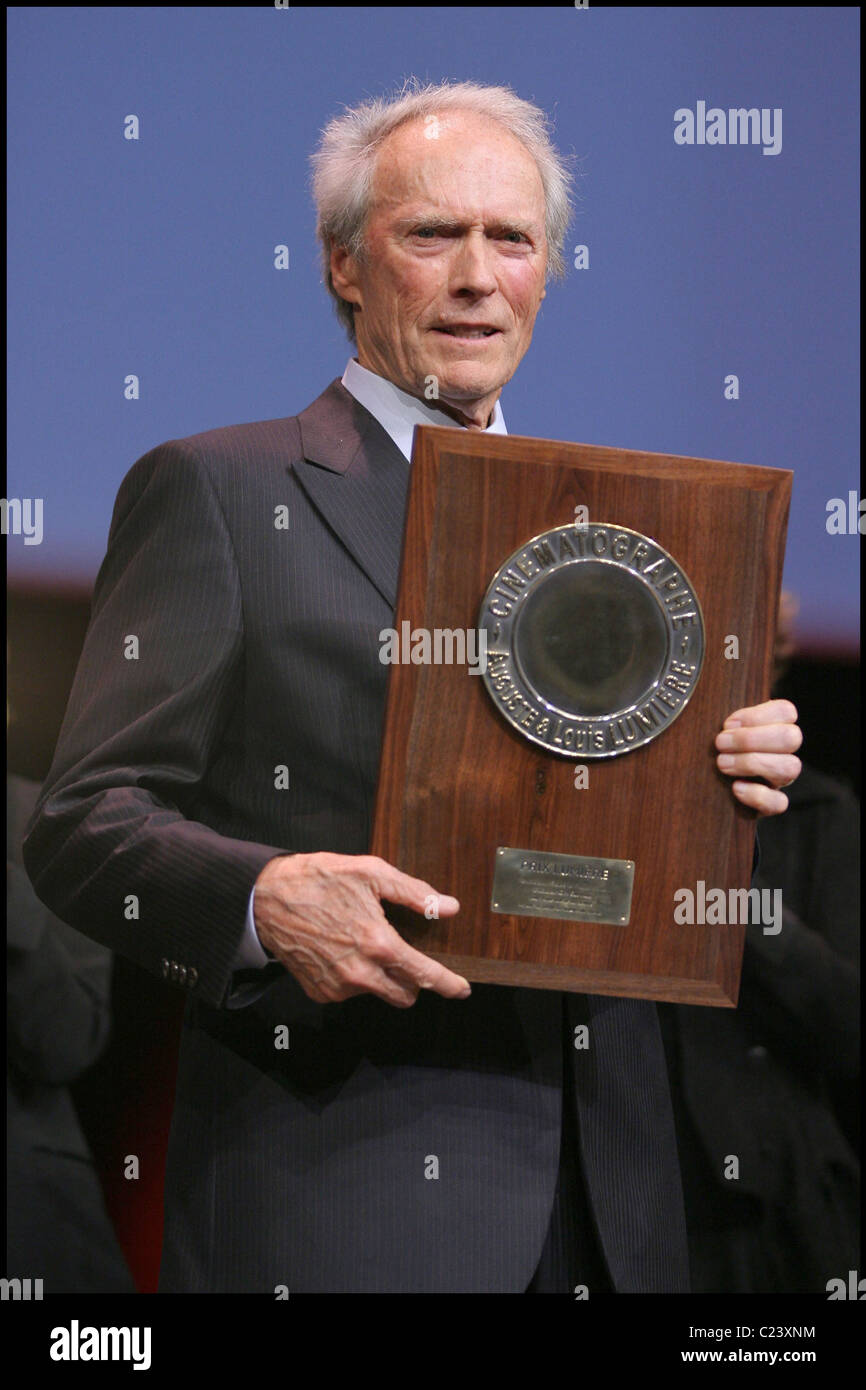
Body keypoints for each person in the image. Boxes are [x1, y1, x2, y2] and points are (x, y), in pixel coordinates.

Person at [22, 78, 803, 1294]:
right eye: (431, 234)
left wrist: (727, 766)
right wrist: (262, 894)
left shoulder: (625, 539)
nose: (476, 276)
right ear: (344, 265)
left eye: (512, 239)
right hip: (349, 1191)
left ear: (548, 269)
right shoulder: (222, 492)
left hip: (617, 1197)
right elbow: (81, 826)